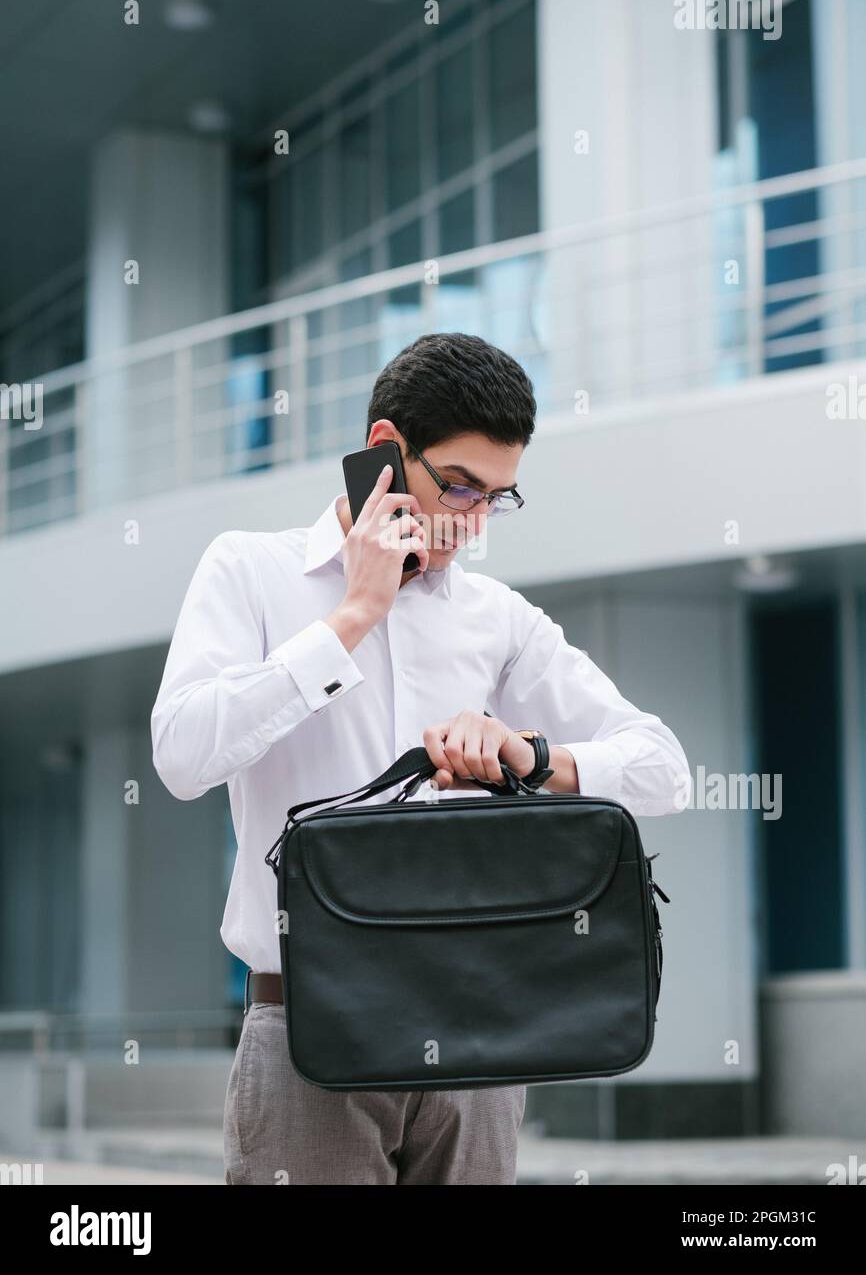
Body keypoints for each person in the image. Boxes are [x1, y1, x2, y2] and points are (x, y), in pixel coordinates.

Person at [151, 331, 691, 1185]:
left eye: (497, 499)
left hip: (480, 1036)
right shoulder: (249, 571)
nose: (473, 524)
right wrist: (351, 618)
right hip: (308, 1036)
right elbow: (182, 754)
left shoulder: (498, 618)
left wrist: (528, 754)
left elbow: (664, 769)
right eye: (461, 487)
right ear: (385, 452)